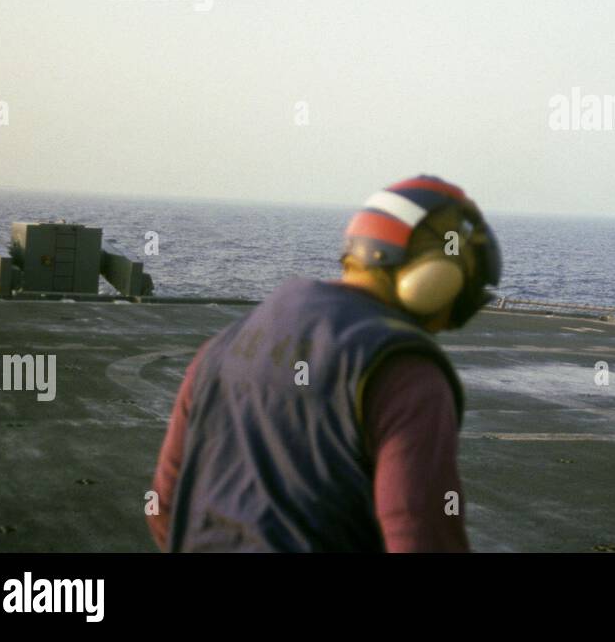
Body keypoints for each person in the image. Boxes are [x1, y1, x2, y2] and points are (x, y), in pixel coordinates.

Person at [148, 175, 500, 552]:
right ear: (434, 274)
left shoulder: (223, 345)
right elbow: (420, 536)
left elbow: (164, 508)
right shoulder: (404, 373)